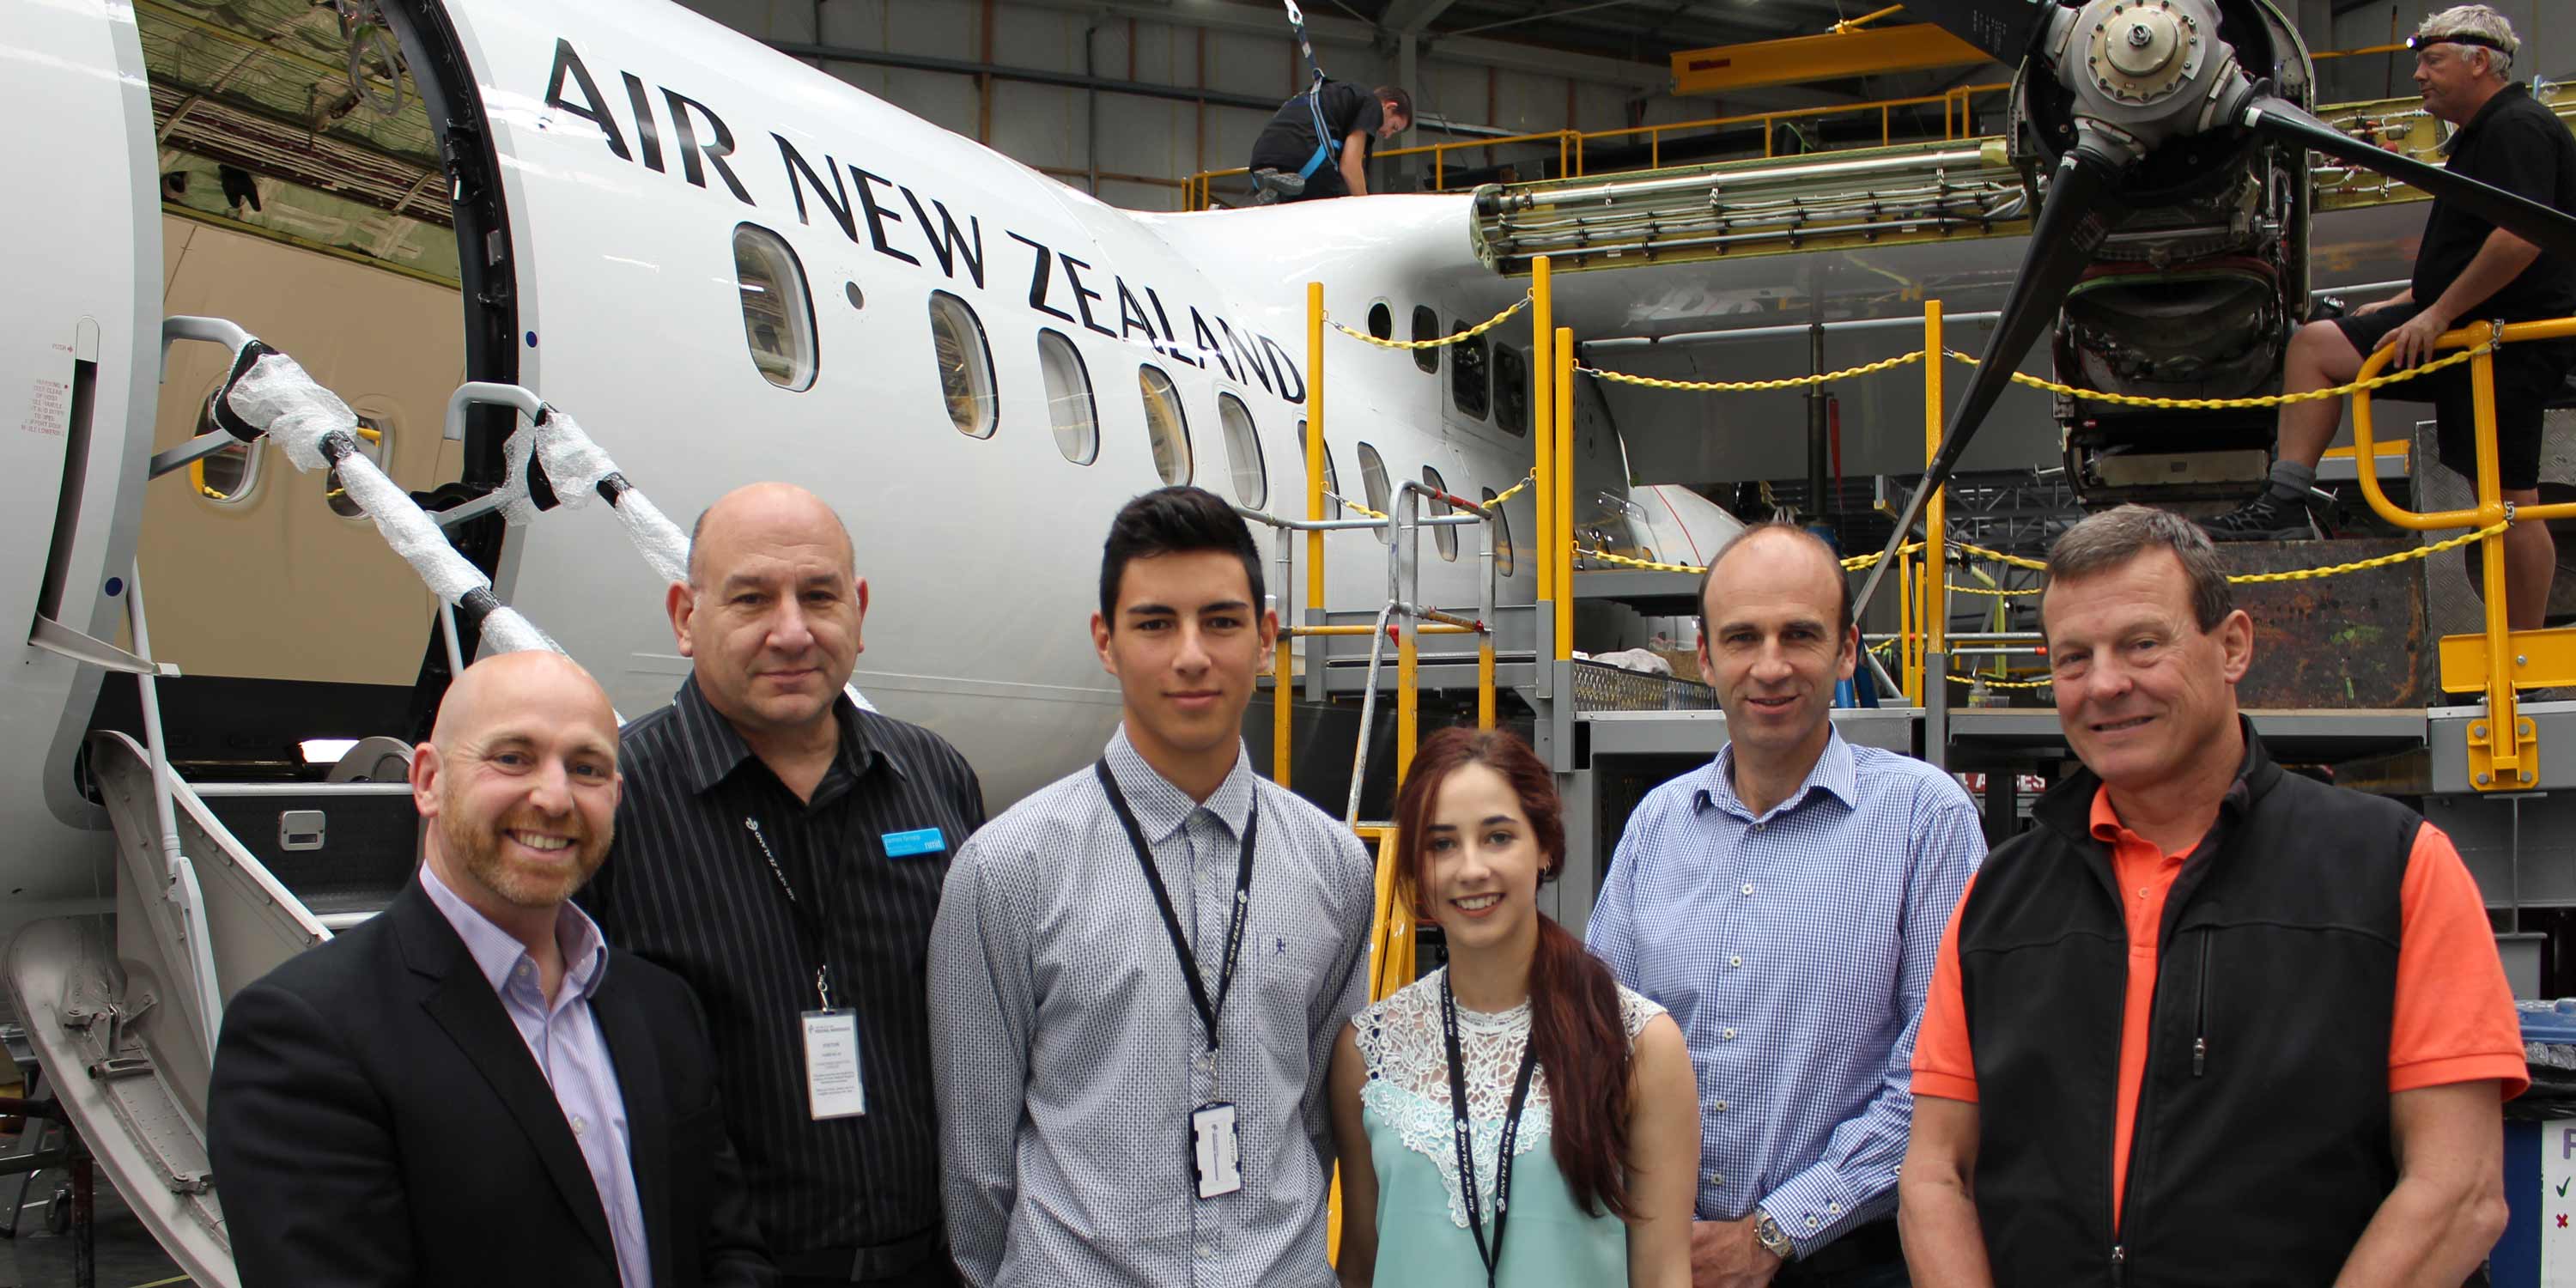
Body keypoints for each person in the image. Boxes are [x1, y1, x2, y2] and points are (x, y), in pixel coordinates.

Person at [1903, 506, 2524, 1286]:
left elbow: (2460, 1191)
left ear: (2232, 645)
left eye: (2141, 644)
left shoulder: (2392, 868)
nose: (2104, 685)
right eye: (2072, 658)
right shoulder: (1999, 899)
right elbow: (1935, 1177)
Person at [208, 651, 772, 1287]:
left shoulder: (662, 1007)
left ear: (615, 797)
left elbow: (725, 1245)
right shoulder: (306, 1038)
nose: (554, 798)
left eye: (586, 769)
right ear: (427, 781)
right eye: (512, 758)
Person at [929, 485, 1376, 1287]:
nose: (1192, 655)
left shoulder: (1334, 865)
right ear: (1106, 640)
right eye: (1155, 623)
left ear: (1267, 637)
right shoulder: (1006, 871)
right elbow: (976, 1166)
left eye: (1222, 621)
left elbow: (1314, 1117)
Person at [580, 483, 984, 1288]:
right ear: (686, 618)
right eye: (753, 599)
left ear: (858, 611)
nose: (792, 632)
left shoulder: (933, 778)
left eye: (820, 596)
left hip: (937, 1262)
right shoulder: (616, 801)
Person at [1586, 523, 1984, 1288]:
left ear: (1845, 652)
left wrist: (1771, 1233)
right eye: (1742, 638)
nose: (1770, 667)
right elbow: (1599, 1036)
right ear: (1705, 656)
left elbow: (1936, 1082)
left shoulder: (1924, 820)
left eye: (1799, 635)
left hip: (1850, 1262)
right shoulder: (1658, 826)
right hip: (1670, 1259)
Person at [2201, 4, 2576, 625]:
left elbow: (2518, 240)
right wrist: (2409, 303)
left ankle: (2523, 653)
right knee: (2320, 350)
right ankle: (2288, 499)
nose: (2419, 76)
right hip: (2468, 334)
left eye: (2432, 61)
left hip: (2500, 345)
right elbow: (2471, 245)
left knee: (2512, 504)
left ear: (2479, 61)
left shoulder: (2518, 127)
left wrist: (2435, 315)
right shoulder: (2487, 132)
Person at [1329, 727, 1698, 1287]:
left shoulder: (1637, 1044)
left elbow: (1663, 1274)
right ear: (1416, 868)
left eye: (1498, 837)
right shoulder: (1369, 1052)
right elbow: (1361, 1261)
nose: (1471, 868)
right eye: (1442, 844)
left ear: (1545, 845)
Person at [1248, 81, 1413, 202]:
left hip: (1261, 160)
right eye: (1394, 127)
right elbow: (1350, 166)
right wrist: (1365, 208)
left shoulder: (1327, 93)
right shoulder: (1372, 104)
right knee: (1342, 201)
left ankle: (1279, 188)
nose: (1388, 135)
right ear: (1389, 107)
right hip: (1305, 161)